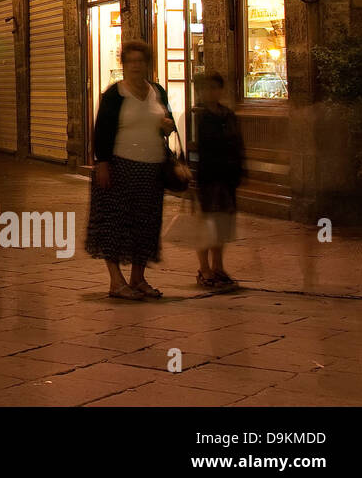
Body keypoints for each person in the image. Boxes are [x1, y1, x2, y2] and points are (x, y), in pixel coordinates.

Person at [86, 39, 176, 300]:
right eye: (131, 61)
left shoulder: (157, 91)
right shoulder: (115, 95)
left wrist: (166, 127)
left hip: (151, 170)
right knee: (115, 223)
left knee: (146, 225)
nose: (136, 66)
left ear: (148, 63)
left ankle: (138, 278)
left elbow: (165, 124)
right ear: (124, 64)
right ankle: (116, 281)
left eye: (141, 61)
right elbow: (102, 131)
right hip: (120, 167)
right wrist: (102, 163)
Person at [190, 72, 244, 288]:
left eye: (215, 88)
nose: (211, 92)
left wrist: (240, 170)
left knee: (222, 223)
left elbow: (238, 144)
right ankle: (204, 268)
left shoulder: (228, 115)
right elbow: (194, 147)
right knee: (207, 223)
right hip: (207, 176)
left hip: (226, 176)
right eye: (207, 88)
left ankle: (219, 266)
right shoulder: (198, 115)